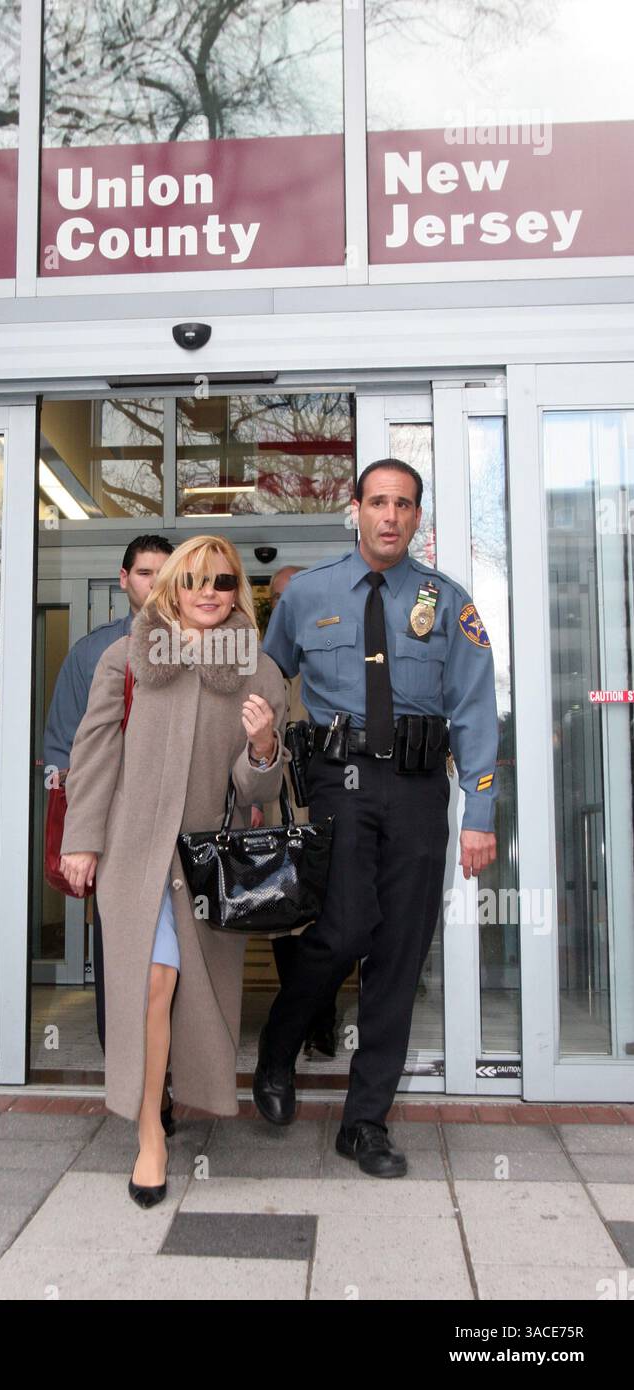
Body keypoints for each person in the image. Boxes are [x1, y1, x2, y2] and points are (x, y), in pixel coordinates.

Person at [254, 458, 498, 1177]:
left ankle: (365, 1123)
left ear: (417, 517)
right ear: (354, 507)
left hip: (421, 787)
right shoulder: (308, 596)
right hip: (340, 781)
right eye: (378, 501)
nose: (390, 516)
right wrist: (251, 758)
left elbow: (477, 711)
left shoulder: (447, 601)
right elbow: (265, 686)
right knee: (343, 928)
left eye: (405, 505)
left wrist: (479, 811)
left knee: (398, 955)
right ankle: (279, 1045)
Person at [60, 535, 287, 1207]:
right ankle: (151, 1135)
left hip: (207, 861)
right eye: (195, 580)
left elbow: (259, 793)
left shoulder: (260, 670)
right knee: (154, 984)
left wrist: (263, 744)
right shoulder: (125, 656)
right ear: (172, 588)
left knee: (197, 992)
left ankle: (183, 1095)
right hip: (136, 853)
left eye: (222, 580)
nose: (209, 591)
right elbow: (94, 749)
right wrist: (83, 839)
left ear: (236, 587)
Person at [43, 535, 172, 1065]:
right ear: (124, 580)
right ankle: (124, 1066)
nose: (156, 584)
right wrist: (81, 839)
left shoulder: (203, 648)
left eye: (167, 573)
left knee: (180, 952)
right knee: (121, 952)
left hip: (184, 825)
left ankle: (169, 1072)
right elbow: (65, 755)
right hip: (118, 831)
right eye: (145, 573)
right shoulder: (93, 654)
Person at [265, 566, 346, 1059]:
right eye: (276, 599)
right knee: (284, 921)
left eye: (291, 597)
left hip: (325, 811)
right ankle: (299, 1023)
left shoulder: (329, 658)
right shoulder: (262, 668)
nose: (284, 606)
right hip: (277, 812)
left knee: (329, 923)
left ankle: (322, 1019)